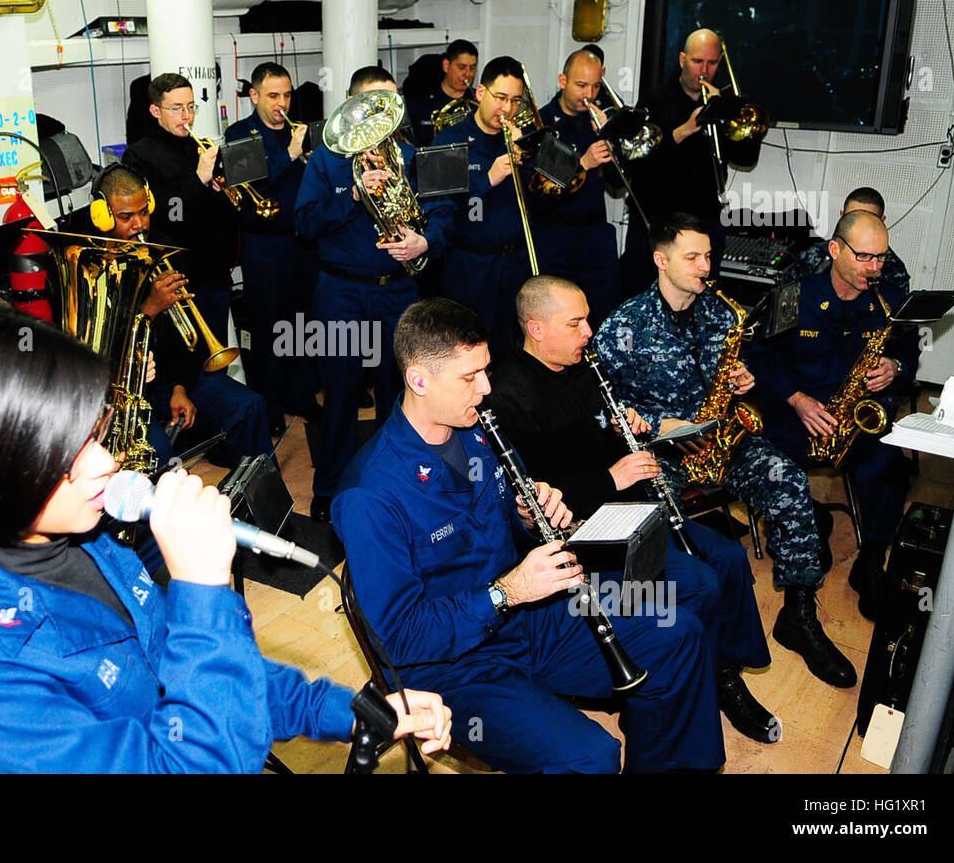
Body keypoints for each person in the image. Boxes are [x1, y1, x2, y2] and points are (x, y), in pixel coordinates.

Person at [0, 301, 451, 773]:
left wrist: (350, 709)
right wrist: (202, 591)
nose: (105, 462)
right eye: (68, 453)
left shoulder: (79, 540)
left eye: (94, 434)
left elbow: (182, 665)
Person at [334, 297, 724, 772]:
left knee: (678, 632)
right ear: (419, 379)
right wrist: (507, 592)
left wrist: (526, 512)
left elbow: (504, 528)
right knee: (593, 757)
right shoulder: (369, 494)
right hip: (454, 665)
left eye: (486, 370)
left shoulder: (477, 430)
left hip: (525, 616)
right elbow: (400, 638)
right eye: (469, 377)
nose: (486, 388)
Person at [490, 275, 777, 744]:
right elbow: (531, 501)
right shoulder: (508, 395)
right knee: (700, 583)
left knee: (728, 555)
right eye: (577, 323)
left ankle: (719, 669)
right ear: (536, 329)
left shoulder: (581, 369)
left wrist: (632, 429)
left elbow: (596, 441)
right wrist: (613, 476)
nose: (589, 332)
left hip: (625, 509)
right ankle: (668, 685)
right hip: (583, 533)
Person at [594, 214, 857, 689]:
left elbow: (735, 375)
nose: (704, 266)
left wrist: (744, 383)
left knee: (787, 478)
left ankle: (799, 613)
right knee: (652, 524)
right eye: (692, 257)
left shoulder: (721, 312)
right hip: (662, 451)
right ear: (661, 260)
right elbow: (597, 406)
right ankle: (671, 640)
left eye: (708, 256)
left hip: (721, 439)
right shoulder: (623, 325)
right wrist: (655, 424)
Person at [293, 66, 453, 522]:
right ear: (349, 105)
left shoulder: (410, 154)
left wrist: (426, 241)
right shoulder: (326, 158)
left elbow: (443, 213)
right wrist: (354, 200)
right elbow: (303, 224)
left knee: (399, 394)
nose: (380, 114)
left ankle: (394, 485)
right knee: (340, 394)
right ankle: (329, 487)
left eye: (389, 103)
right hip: (341, 292)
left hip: (397, 291)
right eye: (370, 104)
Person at [746, 210, 916, 620]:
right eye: (863, 257)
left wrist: (895, 367)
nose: (873, 269)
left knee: (891, 465)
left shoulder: (889, 302)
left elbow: (910, 354)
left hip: (853, 417)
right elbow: (755, 359)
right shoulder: (792, 297)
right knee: (773, 469)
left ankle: (872, 561)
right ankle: (812, 522)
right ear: (835, 250)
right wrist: (796, 399)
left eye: (880, 258)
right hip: (793, 414)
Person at [92, 164, 272, 470]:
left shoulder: (163, 246)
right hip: (122, 390)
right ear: (103, 215)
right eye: (126, 217)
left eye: (143, 212)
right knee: (156, 453)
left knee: (250, 406)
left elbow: (182, 337)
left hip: (171, 379)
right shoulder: (92, 263)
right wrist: (149, 308)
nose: (139, 225)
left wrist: (179, 386)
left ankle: (260, 504)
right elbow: (99, 347)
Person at [224, 62, 322, 435]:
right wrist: (291, 155)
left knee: (302, 322)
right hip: (263, 245)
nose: (282, 103)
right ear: (254, 96)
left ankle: (301, 394)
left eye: (287, 95)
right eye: (273, 96)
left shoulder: (299, 131)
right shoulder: (240, 134)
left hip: (302, 242)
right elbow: (251, 188)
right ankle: (271, 405)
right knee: (268, 327)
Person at [430, 56, 533, 355]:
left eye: (515, 101)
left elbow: (543, 194)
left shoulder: (519, 140)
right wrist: (488, 179)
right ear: (480, 94)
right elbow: (439, 204)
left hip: (514, 262)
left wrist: (525, 153)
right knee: (466, 346)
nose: (508, 109)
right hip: (468, 264)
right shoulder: (450, 140)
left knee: (509, 347)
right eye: (500, 98)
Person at [122, 74, 239, 339]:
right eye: (176, 109)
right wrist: (198, 180)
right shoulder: (139, 155)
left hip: (215, 272)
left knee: (217, 361)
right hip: (179, 277)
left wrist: (221, 191)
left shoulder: (202, 147)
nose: (186, 116)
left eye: (190, 106)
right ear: (155, 111)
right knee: (185, 368)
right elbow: (161, 214)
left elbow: (222, 213)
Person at [624, 29, 736, 297]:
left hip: (704, 218)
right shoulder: (654, 99)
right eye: (698, 61)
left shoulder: (723, 102)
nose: (704, 70)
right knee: (643, 295)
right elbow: (639, 161)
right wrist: (685, 129)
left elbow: (745, 157)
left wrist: (727, 114)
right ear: (683, 59)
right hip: (657, 218)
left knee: (702, 298)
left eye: (712, 63)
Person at [532, 49, 622, 327]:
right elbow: (542, 193)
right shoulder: (543, 122)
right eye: (581, 85)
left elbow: (619, 184)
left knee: (602, 314)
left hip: (595, 234)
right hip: (557, 234)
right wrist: (583, 163)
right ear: (563, 80)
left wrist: (612, 137)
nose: (590, 93)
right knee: (559, 318)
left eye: (596, 86)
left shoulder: (599, 119)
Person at [784, 187, 911, 291]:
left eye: (869, 220)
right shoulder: (815, 255)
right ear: (842, 216)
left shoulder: (894, 270)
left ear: (882, 221)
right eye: (852, 218)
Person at [405, 39, 479, 148]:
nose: (467, 74)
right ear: (446, 65)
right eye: (461, 67)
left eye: (472, 68)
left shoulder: (478, 101)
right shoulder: (420, 101)